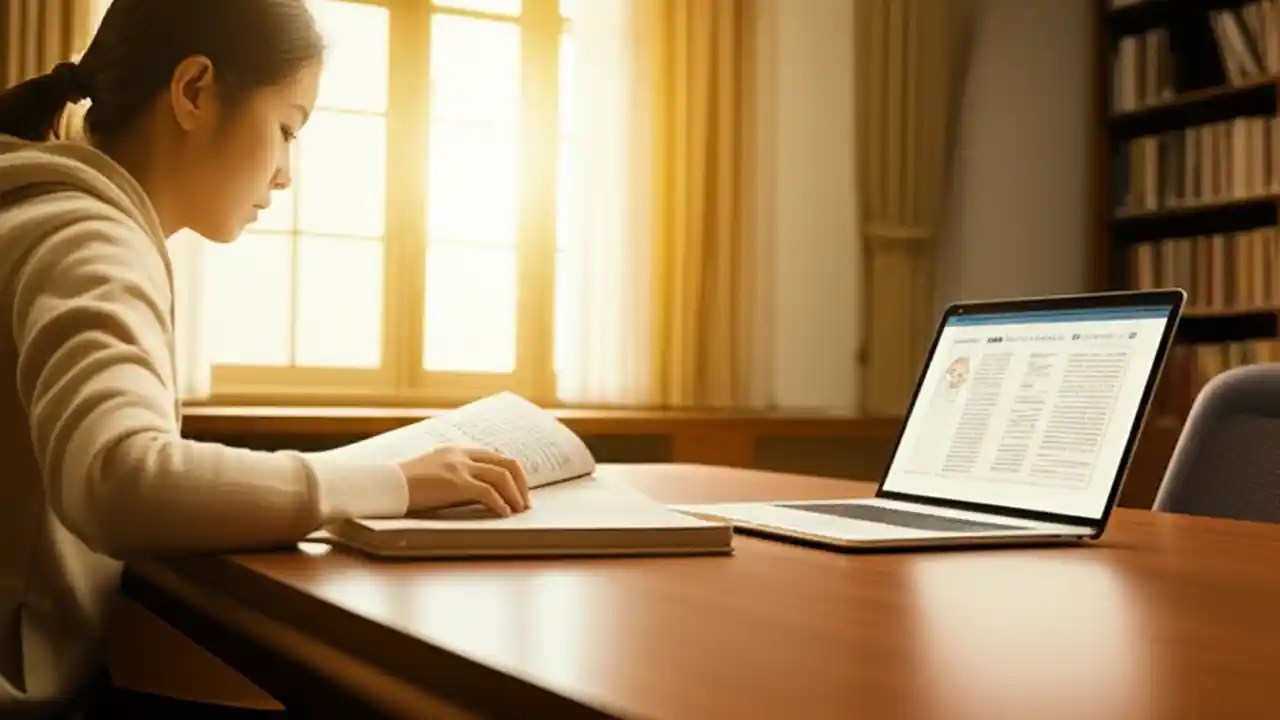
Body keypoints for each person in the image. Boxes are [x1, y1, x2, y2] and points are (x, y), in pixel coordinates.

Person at [0, 1, 531, 717]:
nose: (284, 176)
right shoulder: (89, 237)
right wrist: (394, 484)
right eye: (286, 128)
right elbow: (118, 479)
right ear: (193, 90)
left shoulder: (37, 209)